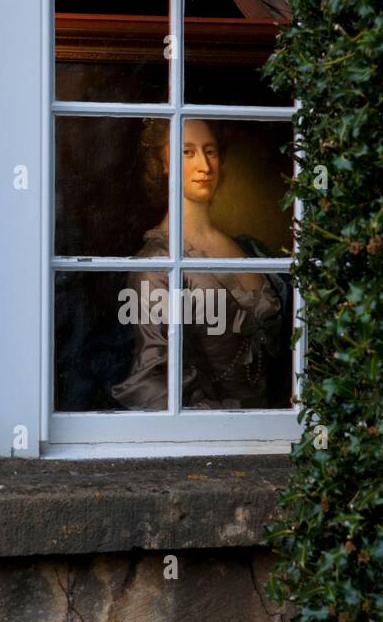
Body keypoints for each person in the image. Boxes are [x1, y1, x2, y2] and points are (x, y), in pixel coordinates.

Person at [112, 117, 289, 409]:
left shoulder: (249, 248)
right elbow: (152, 380)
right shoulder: (157, 265)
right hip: (216, 434)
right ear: (163, 164)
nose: (204, 167)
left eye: (210, 151)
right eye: (187, 152)